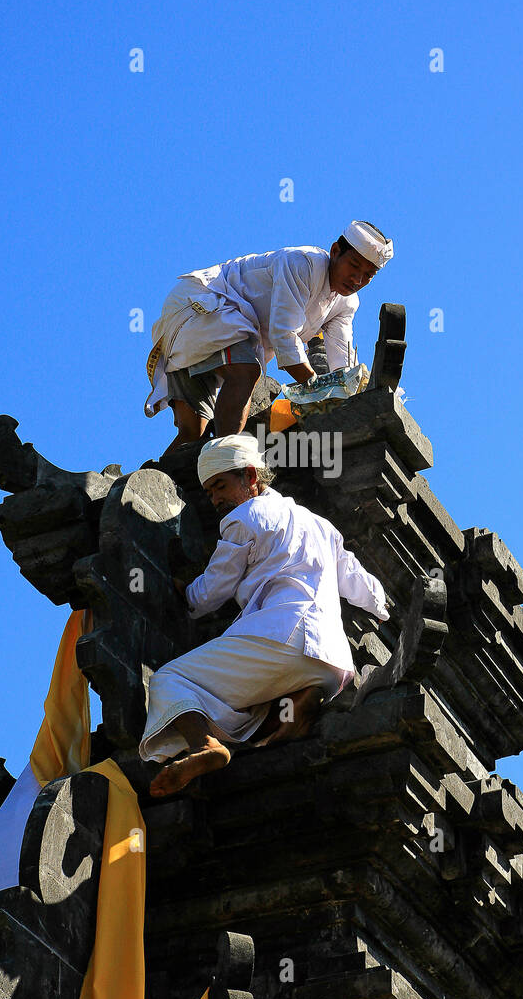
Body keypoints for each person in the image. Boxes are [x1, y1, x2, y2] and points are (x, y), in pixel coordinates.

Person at [139, 433, 389, 795]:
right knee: (253, 719)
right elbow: (356, 580)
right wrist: (382, 609)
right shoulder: (320, 525)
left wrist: (184, 595)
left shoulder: (244, 518)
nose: (216, 499)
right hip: (332, 663)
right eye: (210, 492)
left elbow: (213, 589)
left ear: (252, 477)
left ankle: (205, 745)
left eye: (221, 486)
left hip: (280, 641)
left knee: (168, 681)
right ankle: (300, 702)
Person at [144, 221, 393, 455]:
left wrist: (353, 392)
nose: (358, 280)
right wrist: (319, 390)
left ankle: (143, 484)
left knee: (192, 436)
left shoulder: (346, 303)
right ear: (335, 251)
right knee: (246, 372)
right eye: (354, 266)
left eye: (369, 275)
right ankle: (227, 461)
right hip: (198, 306)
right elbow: (284, 334)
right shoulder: (304, 264)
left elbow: (342, 363)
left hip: (214, 330)